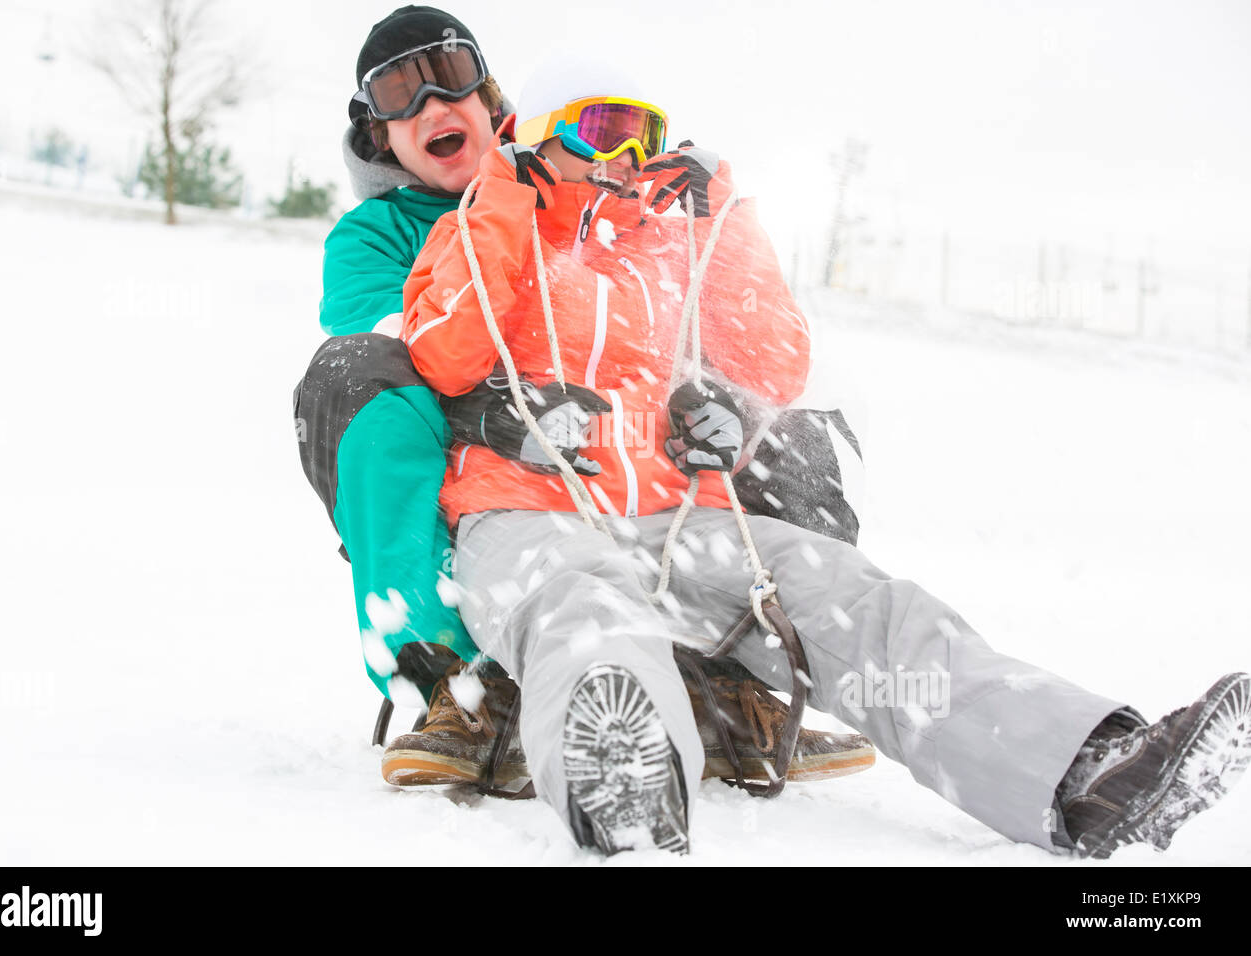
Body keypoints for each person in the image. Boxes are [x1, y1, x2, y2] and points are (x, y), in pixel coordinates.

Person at [399, 59, 1251, 856]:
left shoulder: (665, 252)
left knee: (846, 595)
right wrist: (504, 192)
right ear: (538, 139)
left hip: (667, 515)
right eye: (599, 130)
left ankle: (1082, 771)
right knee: (584, 614)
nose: (624, 156)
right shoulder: (489, 227)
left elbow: (775, 364)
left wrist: (721, 219)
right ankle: (627, 785)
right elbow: (445, 351)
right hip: (524, 513)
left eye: (644, 137)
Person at [293, 7, 874, 795]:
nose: (434, 106)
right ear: (379, 137)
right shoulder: (379, 235)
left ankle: (721, 681)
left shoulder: (575, 190)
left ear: (494, 103)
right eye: (402, 95)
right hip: (489, 481)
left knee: (772, 428)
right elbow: (392, 340)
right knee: (366, 384)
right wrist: (487, 407)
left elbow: (673, 336)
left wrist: (713, 373)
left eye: (452, 78)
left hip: (614, 472)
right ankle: (460, 688)